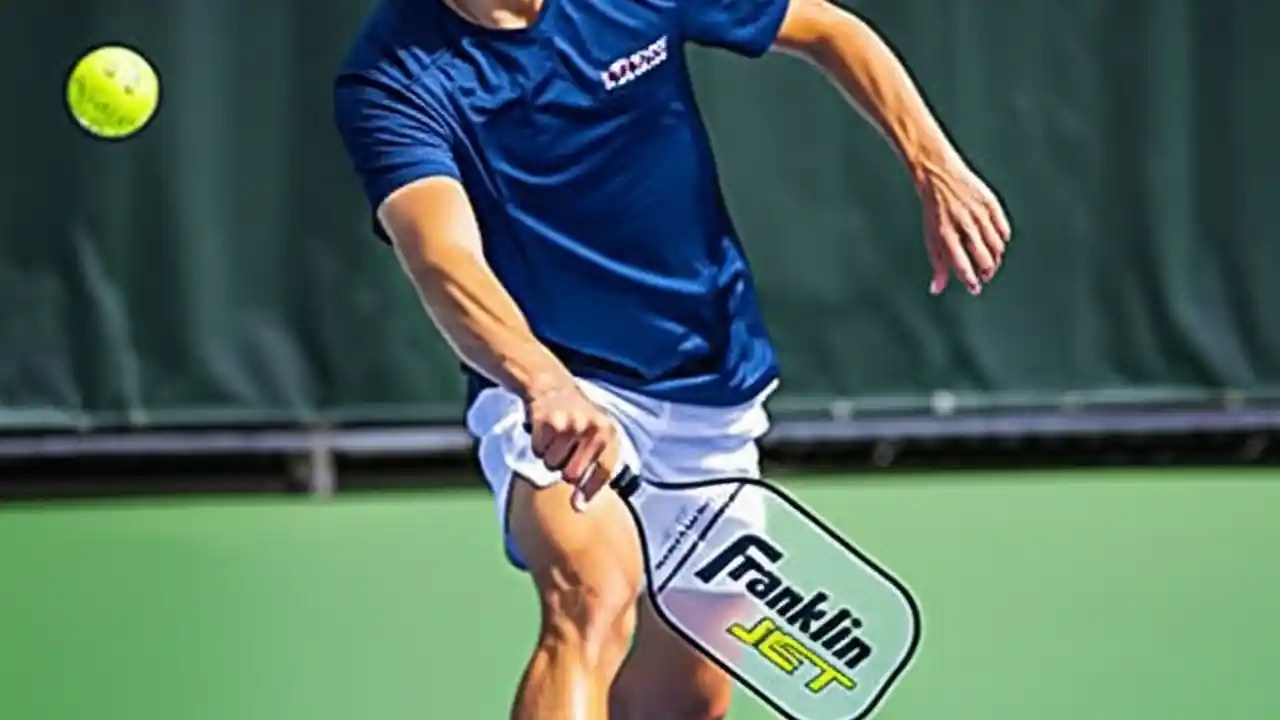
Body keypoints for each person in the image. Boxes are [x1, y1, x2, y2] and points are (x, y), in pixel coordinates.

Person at [333, 0, 1011, 716]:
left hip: (708, 387)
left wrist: (935, 164)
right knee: (590, 597)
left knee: (689, 701)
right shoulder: (392, 75)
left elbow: (827, 29)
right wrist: (543, 381)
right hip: (559, 381)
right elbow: (442, 257)